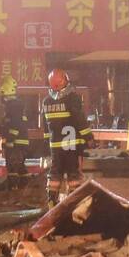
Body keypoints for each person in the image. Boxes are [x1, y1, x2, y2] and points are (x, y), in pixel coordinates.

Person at [39, 68, 92, 208]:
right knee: (73, 174)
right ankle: (73, 202)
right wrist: (89, 137)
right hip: (71, 145)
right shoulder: (73, 99)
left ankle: (51, 201)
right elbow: (80, 119)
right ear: (64, 81)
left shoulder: (46, 102)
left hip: (55, 147)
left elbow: (45, 127)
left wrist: (47, 143)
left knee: (55, 173)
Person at [0, 75, 30, 189]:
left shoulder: (14, 106)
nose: (2, 98)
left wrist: (10, 139)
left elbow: (15, 124)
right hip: (19, 142)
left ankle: (13, 191)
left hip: (16, 143)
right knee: (20, 167)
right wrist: (1, 129)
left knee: (13, 167)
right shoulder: (15, 106)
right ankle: (25, 191)